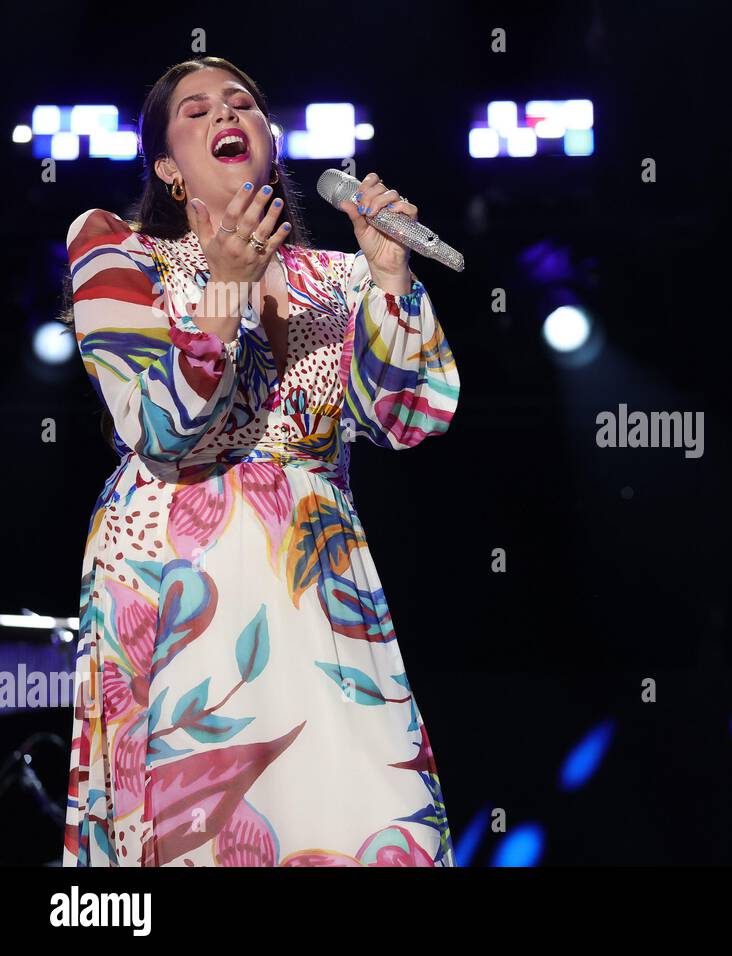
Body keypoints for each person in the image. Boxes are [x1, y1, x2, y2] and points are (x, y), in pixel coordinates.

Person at [60, 57, 460, 866]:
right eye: (196, 111)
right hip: (175, 574)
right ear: (168, 167)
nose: (225, 115)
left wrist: (389, 275)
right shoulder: (116, 249)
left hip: (317, 578)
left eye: (241, 103)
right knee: (202, 831)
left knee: (372, 822)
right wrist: (227, 290)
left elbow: (408, 418)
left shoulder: (340, 277)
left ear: (272, 143)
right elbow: (162, 429)